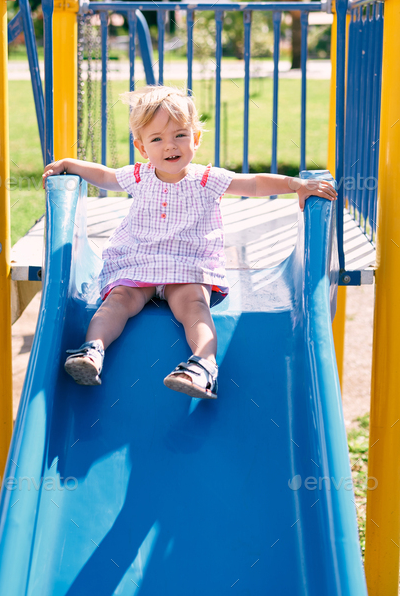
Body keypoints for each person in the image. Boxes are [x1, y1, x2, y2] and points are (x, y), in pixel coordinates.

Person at [42, 85, 336, 400]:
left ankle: (204, 367)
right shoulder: (139, 176)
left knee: (194, 306)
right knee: (117, 301)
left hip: (187, 267)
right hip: (139, 263)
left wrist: (295, 184)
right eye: (157, 139)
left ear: (196, 139)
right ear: (143, 148)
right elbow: (104, 176)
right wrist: (69, 164)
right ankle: (93, 350)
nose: (170, 146)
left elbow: (251, 183)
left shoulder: (207, 179)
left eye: (180, 135)